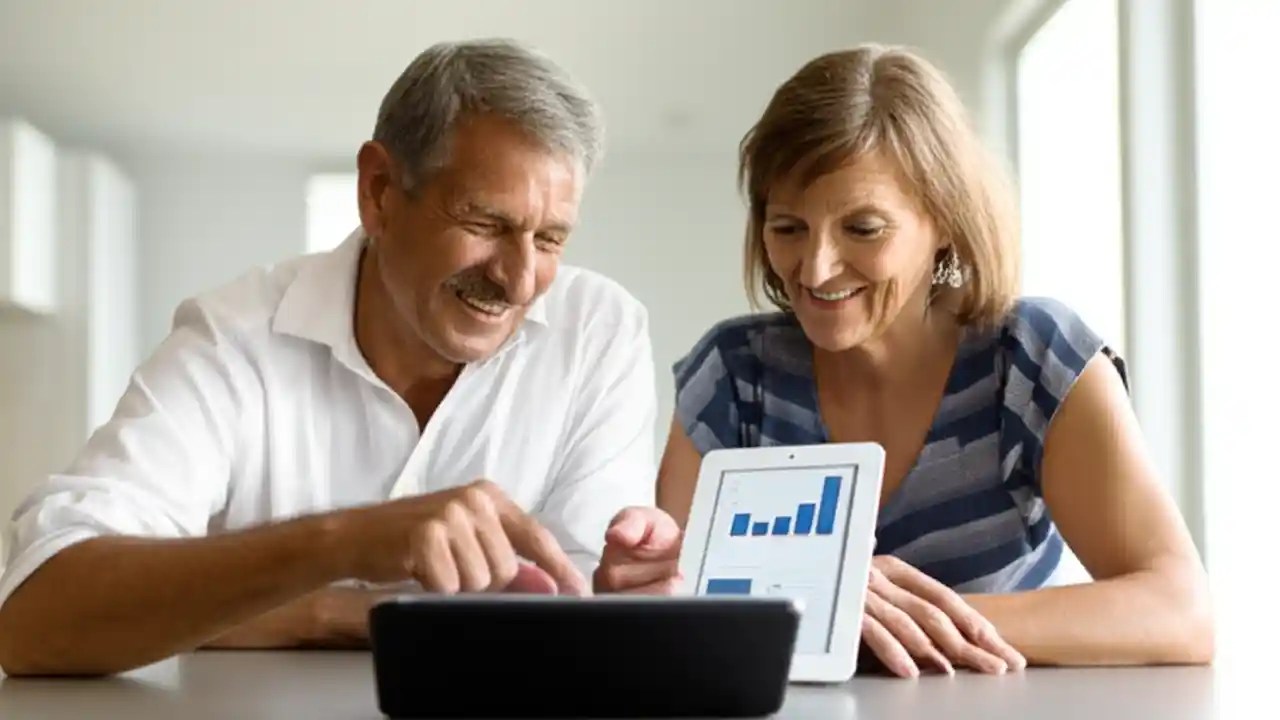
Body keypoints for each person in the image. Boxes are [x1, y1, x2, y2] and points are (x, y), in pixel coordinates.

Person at [0, 38, 658, 676]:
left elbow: (583, 618)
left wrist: (306, 612)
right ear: (378, 191)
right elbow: (33, 618)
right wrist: (342, 543)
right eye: (484, 222)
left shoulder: (598, 332)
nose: (518, 280)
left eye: (549, 239)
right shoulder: (235, 336)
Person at [594, 44, 1213, 677]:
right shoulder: (733, 377)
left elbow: (1180, 611)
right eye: (788, 228)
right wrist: (639, 593)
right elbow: (681, 622)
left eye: (862, 229)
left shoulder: (1032, 358)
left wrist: (879, 619)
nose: (817, 268)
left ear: (944, 219)